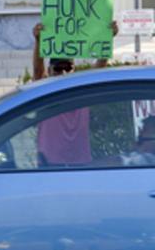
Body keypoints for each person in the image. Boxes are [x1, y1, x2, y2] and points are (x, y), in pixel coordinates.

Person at [31, 21, 116, 167]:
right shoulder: (44, 92)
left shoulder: (81, 92)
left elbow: (99, 69)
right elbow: (38, 70)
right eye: (58, 68)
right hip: (50, 165)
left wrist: (109, 37)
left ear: (74, 70)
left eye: (68, 67)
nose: (63, 72)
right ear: (50, 71)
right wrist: (39, 41)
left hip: (80, 164)